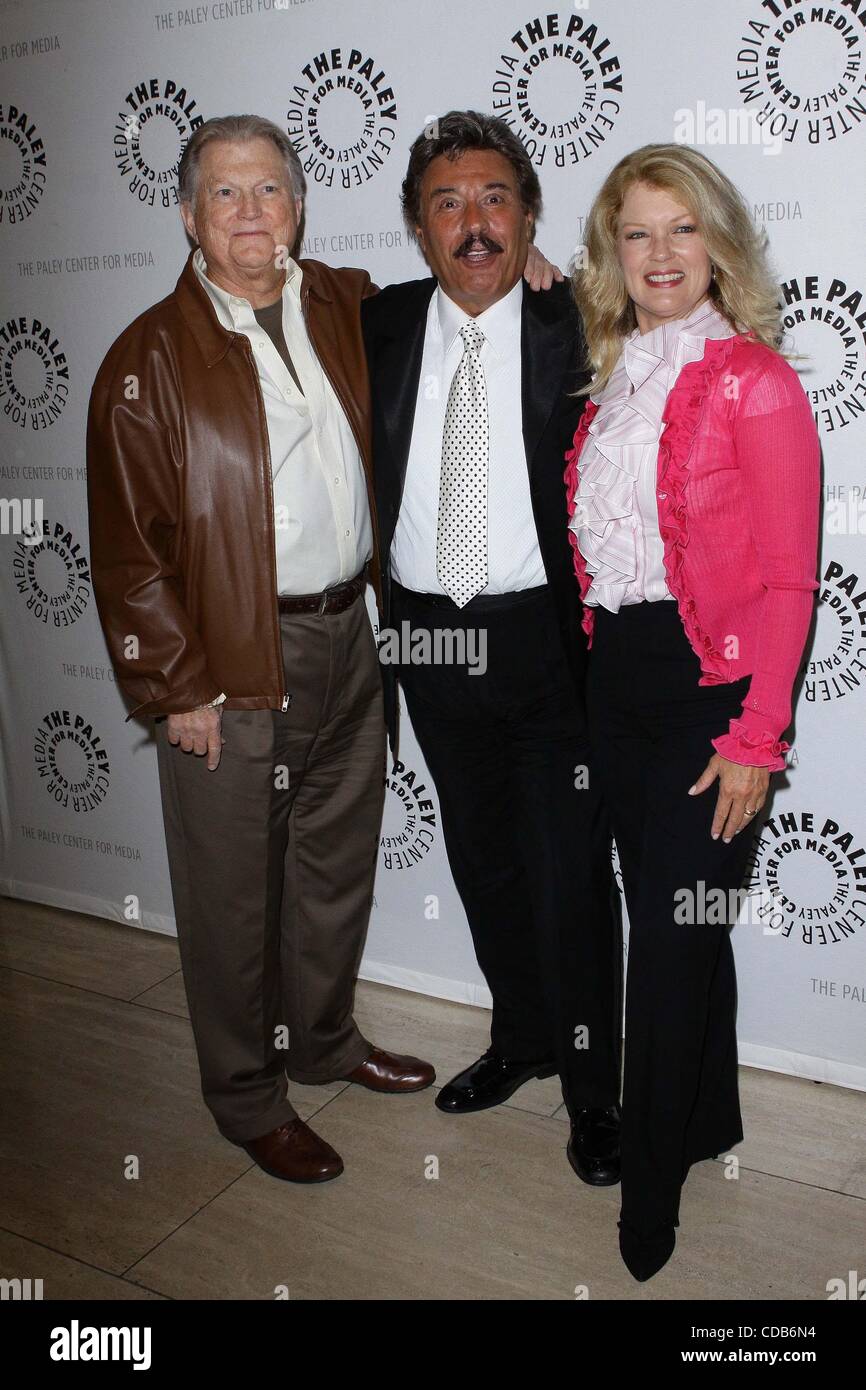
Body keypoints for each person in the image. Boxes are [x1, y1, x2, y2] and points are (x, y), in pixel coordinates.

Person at [86, 114, 436, 1185]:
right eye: (225, 193)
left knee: (332, 866)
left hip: (348, 638)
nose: (249, 213)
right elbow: (129, 546)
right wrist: (173, 686)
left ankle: (323, 1040)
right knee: (234, 892)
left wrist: (535, 271)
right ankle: (245, 1094)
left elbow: (452, 313)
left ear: (299, 205)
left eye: (268, 190)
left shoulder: (344, 303)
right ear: (188, 214)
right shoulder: (147, 356)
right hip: (229, 662)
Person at [565, 143, 820, 1278]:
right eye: (635, 231)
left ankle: (651, 1193)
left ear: (716, 243)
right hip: (611, 682)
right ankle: (705, 1115)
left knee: (667, 947)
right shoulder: (611, 373)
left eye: (680, 229)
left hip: (707, 698)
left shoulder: (754, 380)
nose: (658, 253)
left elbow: (785, 579)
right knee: (676, 929)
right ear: (610, 252)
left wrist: (755, 739)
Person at [363, 111, 623, 1185]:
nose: (472, 224)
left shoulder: (586, 324)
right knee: (482, 859)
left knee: (571, 877)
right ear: (418, 229)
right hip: (426, 636)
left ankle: (593, 1092)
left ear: (527, 218)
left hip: (543, 643)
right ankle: (518, 1037)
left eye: (493, 200)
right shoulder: (372, 324)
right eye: (446, 203)